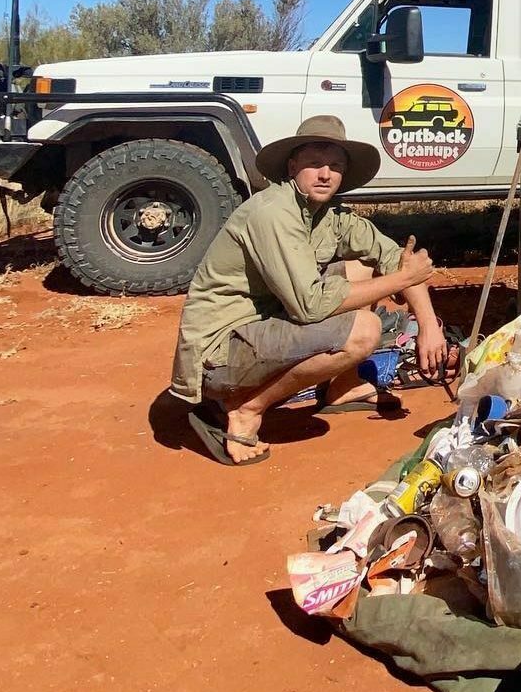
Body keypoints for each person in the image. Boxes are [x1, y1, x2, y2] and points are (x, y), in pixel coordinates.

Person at [170, 115, 449, 466]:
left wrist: (428, 327)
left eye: (335, 166)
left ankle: (342, 386)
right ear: (292, 166)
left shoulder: (328, 215)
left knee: (361, 266)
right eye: (314, 163)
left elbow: (397, 259)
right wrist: (401, 281)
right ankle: (246, 408)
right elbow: (310, 307)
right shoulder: (274, 212)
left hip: (264, 323)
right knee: (365, 330)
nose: (325, 174)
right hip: (219, 353)